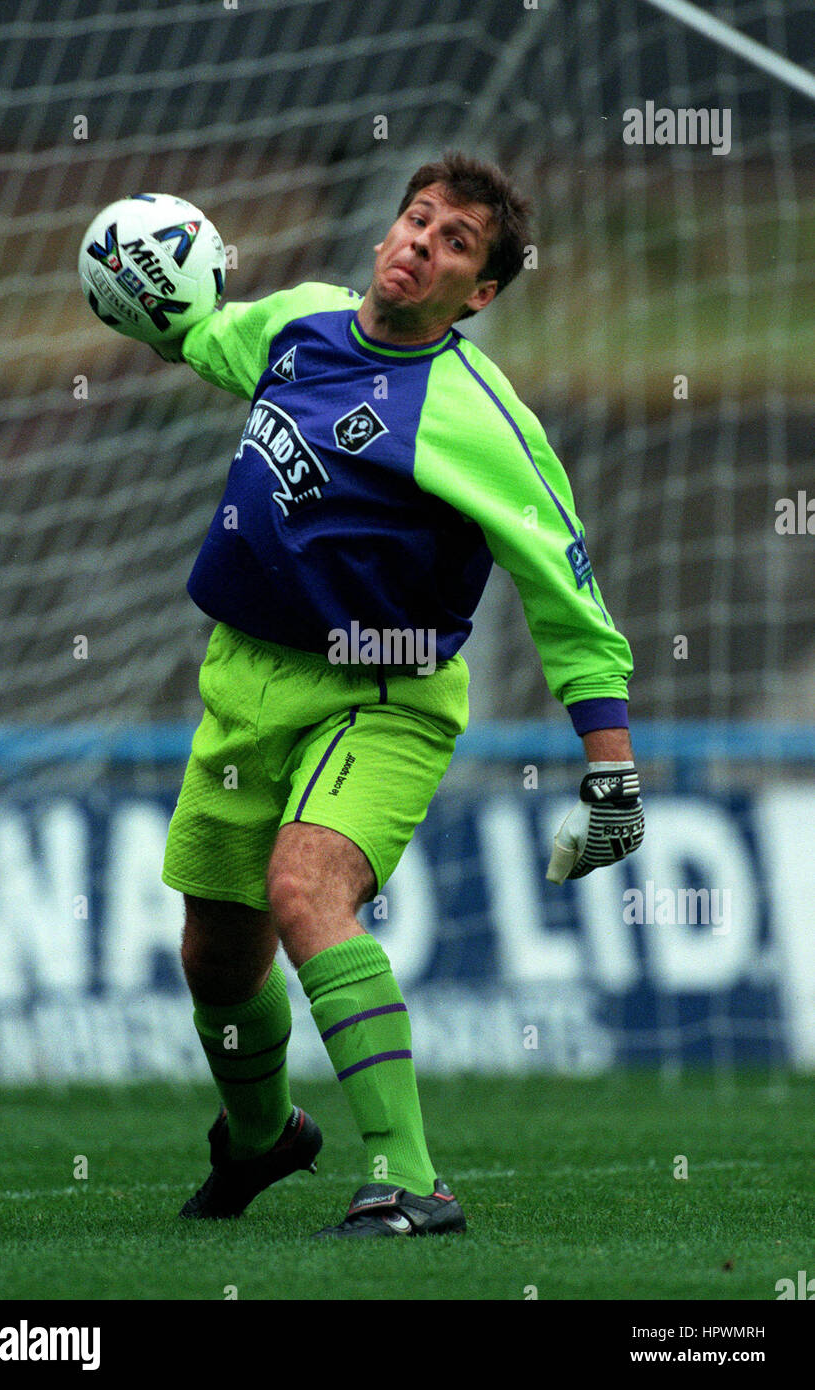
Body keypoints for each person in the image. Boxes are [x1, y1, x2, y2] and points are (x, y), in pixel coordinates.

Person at [159, 150, 644, 1238]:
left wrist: (608, 770)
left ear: (476, 293)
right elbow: (205, 338)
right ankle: (261, 1138)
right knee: (214, 951)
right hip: (244, 683)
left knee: (303, 891)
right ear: (387, 234)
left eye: (454, 240)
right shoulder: (300, 324)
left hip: (383, 695)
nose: (420, 241)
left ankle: (410, 1181)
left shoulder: (478, 417)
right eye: (416, 219)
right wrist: (147, 301)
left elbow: (562, 587)